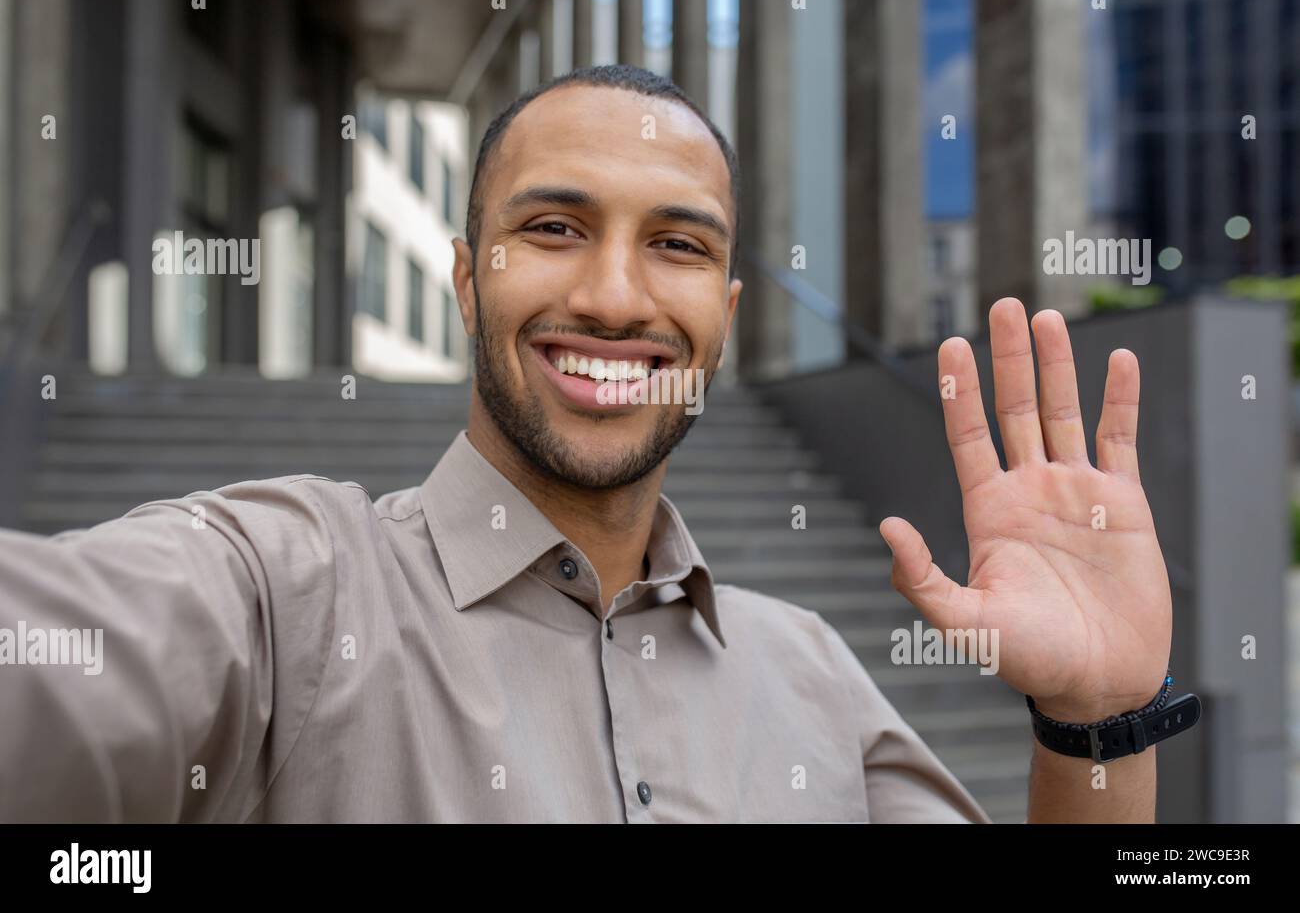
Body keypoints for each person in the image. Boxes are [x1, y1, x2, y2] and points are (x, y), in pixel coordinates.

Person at [0, 65, 1175, 822]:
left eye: (677, 244)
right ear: (467, 280)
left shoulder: (811, 672)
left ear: (726, 307)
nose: (616, 297)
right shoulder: (283, 587)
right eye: (554, 227)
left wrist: (1095, 724)